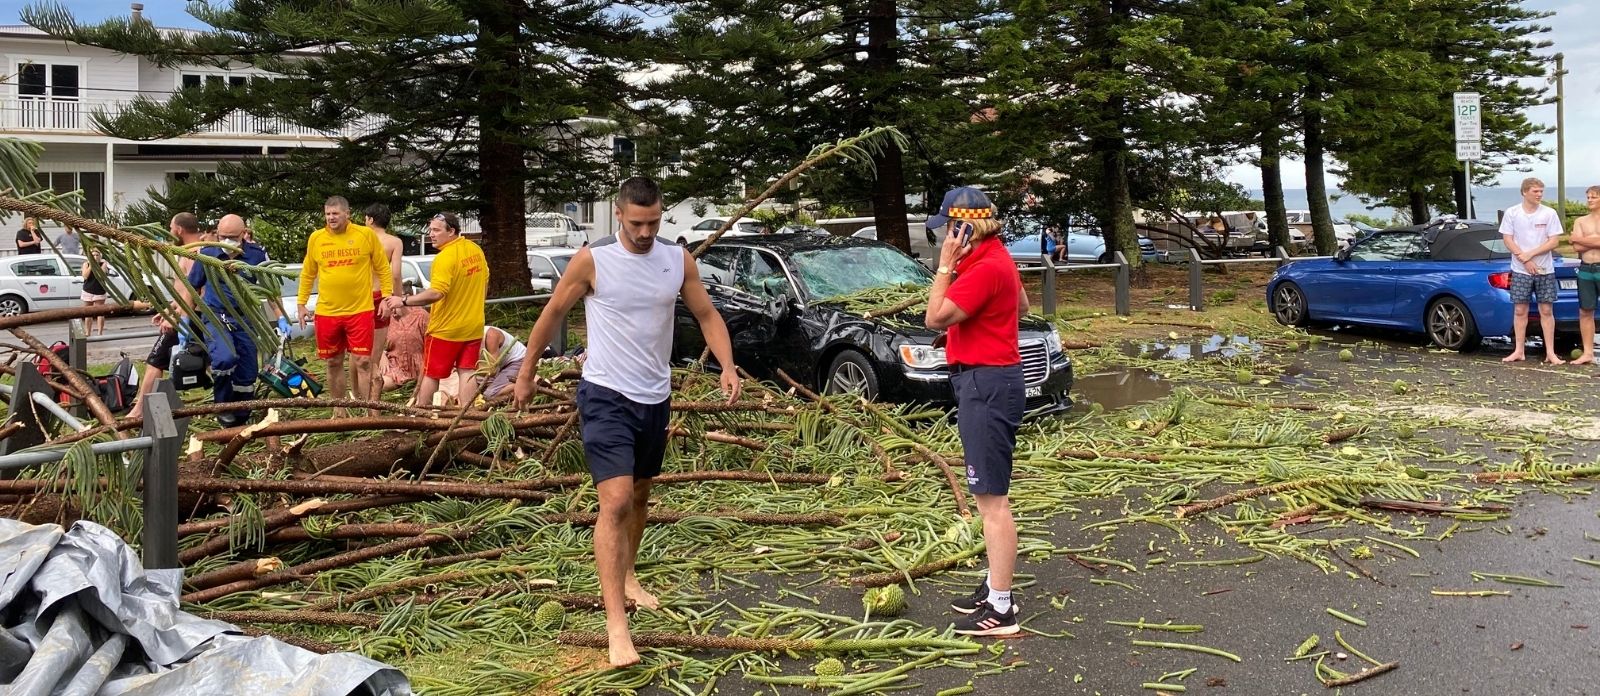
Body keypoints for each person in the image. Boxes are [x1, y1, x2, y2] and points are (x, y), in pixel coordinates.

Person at [510, 176, 741, 668]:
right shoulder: (593, 260)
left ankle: (629, 575)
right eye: (637, 223)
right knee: (614, 501)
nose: (645, 232)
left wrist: (726, 365)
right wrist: (526, 371)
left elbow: (706, 314)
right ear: (619, 215)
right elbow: (553, 313)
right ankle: (617, 627)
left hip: (654, 397)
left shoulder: (676, 259)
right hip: (605, 394)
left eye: (653, 222)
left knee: (639, 494)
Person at [922, 186, 1028, 637]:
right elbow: (1020, 305)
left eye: (948, 227)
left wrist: (945, 265)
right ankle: (993, 586)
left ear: (963, 228)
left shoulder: (983, 266)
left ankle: (1001, 608)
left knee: (991, 501)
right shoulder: (996, 258)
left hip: (986, 384)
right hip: (989, 379)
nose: (944, 235)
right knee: (990, 495)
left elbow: (934, 317)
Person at [380, 213, 486, 407]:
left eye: (436, 230)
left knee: (431, 373)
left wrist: (403, 300)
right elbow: (484, 282)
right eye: (430, 230)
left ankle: (422, 413)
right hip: (474, 326)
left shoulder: (444, 258)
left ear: (451, 231)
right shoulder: (475, 250)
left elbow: (436, 293)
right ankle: (468, 414)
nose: (431, 234)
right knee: (467, 370)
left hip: (446, 329)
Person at [298, 196, 392, 411]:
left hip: (360, 310)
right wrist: (301, 304)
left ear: (347, 214)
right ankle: (339, 411)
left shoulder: (365, 235)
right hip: (327, 312)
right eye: (327, 214)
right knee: (333, 362)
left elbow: (382, 268)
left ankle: (368, 410)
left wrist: (387, 298)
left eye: (335, 213)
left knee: (363, 362)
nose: (331, 218)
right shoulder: (316, 238)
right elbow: (308, 273)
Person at [188, 214, 269, 426]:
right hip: (216, 314)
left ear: (243, 234)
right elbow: (192, 286)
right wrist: (184, 316)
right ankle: (222, 406)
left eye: (232, 237)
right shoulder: (208, 254)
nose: (226, 241)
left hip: (245, 317)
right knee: (224, 358)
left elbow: (270, 288)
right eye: (222, 236)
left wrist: (280, 319)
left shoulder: (256, 255)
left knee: (247, 368)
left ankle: (242, 413)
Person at [128, 213, 206, 420]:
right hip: (183, 314)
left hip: (192, 317)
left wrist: (176, 317)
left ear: (179, 229)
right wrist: (169, 310)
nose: (170, 231)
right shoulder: (187, 250)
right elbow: (183, 292)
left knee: (156, 360)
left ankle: (139, 411)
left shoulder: (195, 253)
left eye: (171, 227)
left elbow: (195, 293)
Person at [1500, 177, 1565, 365]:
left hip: (1545, 269)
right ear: (1524, 192)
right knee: (1520, 309)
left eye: (1541, 191)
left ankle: (1550, 352)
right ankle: (1519, 350)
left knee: (1546, 309)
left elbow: (1554, 241)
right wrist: (1524, 259)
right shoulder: (1512, 213)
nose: (1539, 195)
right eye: (1535, 191)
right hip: (1520, 270)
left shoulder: (1549, 213)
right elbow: (1508, 239)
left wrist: (1531, 254)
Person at [364, 203, 405, 399]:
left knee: (357, 353)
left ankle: (358, 394)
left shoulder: (361, 239)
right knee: (374, 353)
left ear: (371, 219)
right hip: (380, 296)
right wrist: (397, 299)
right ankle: (371, 398)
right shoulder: (394, 242)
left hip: (359, 298)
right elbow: (395, 274)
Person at [1570, 185, 1600, 365]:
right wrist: (1591, 241)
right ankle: (1588, 352)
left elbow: (1577, 240)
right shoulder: (1580, 221)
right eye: (1588, 197)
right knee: (1585, 311)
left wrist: (1579, 239)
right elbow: (1576, 247)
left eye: (1593, 197)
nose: (1589, 200)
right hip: (1586, 268)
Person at [480, 325, 528, 398]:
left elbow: (492, 370)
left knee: (490, 394)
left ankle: (529, 383)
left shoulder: (491, 335)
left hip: (518, 360)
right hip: (501, 365)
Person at [79, 249, 109, 336]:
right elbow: (85, 276)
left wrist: (102, 264)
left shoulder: (103, 264)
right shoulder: (86, 264)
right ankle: (88, 332)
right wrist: (91, 265)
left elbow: (101, 275)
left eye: (97, 255)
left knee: (100, 312)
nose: (95, 257)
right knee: (88, 312)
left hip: (99, 291)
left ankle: (100, 332)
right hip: (88, 290)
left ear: (100, 256)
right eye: (93, 255)